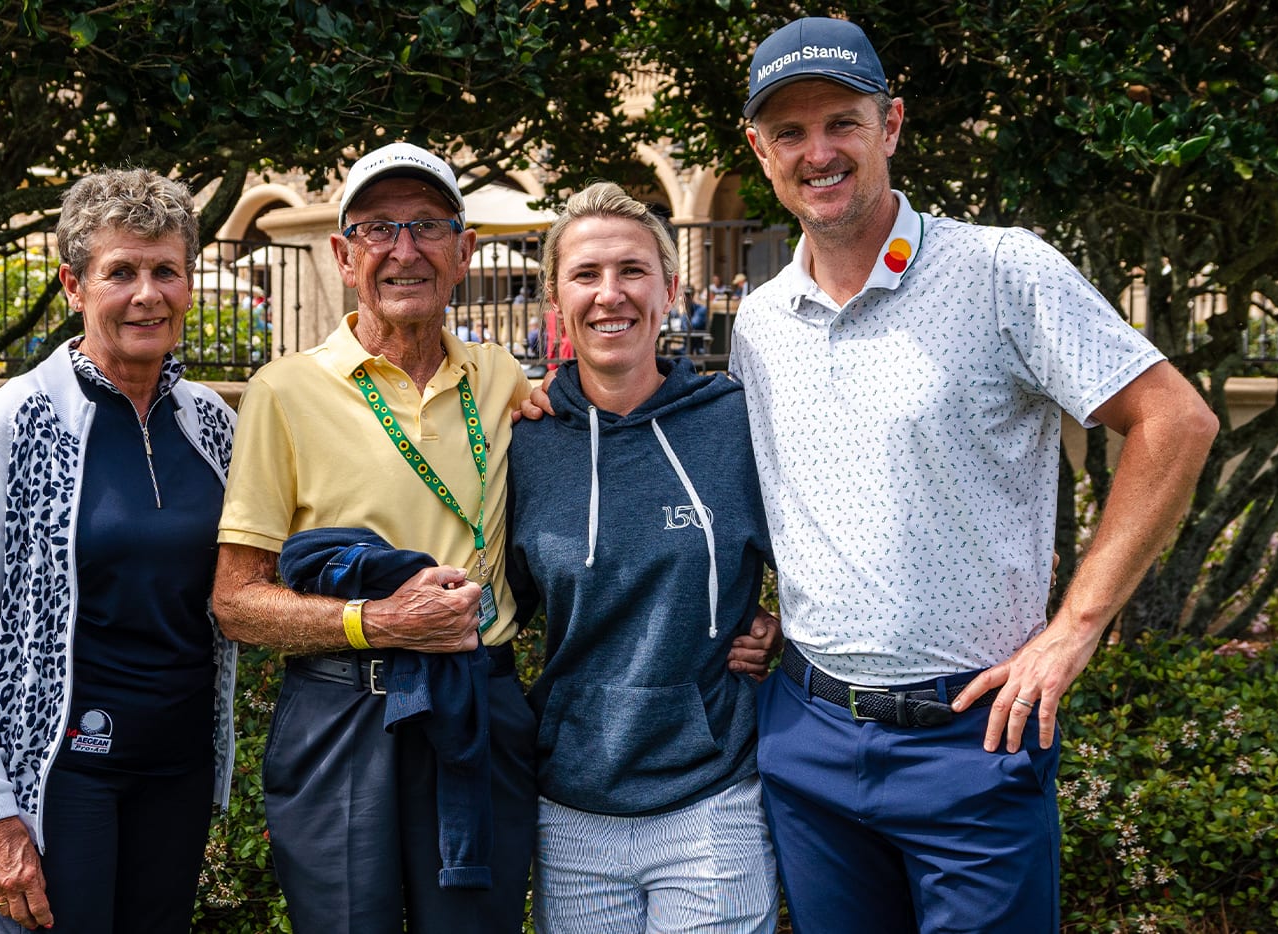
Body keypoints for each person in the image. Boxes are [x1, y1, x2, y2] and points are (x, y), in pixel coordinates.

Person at [734, 17, 1218, 933]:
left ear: (893, 126)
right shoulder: (759, 322)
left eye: (842, 122)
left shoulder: (1001, 271)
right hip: (806, 736)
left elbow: (1175, 421)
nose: (819, 152)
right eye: (790, 133)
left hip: (974, 737)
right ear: (759, 150)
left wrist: (1075, 631)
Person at [212, 142, 535, 934]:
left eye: (428, 225)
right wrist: (378, 622)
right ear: (342, 255)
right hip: (343, 712)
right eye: (378, 228)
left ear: (463, 252)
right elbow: (235, 602)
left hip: (478, 705)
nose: (404, 249)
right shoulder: (284, 391)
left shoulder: (506, 381)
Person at [0, 168, 240, 933]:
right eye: (120, 272)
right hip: (62, 775)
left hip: (179, 766)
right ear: (73, 283)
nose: (147, 294)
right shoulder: (17, 422)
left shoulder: (213, 425)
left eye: (167, 270)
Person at [506, 182, 781, 933]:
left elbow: (821, 553)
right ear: (556, 299)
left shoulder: (733, 422)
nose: (609, 295)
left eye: (632, 271)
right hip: (569, 806)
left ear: (671, 290)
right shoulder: (519, 437)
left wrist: (778, 628)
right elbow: (492, 606)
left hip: (712, 802)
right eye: (585, 275)